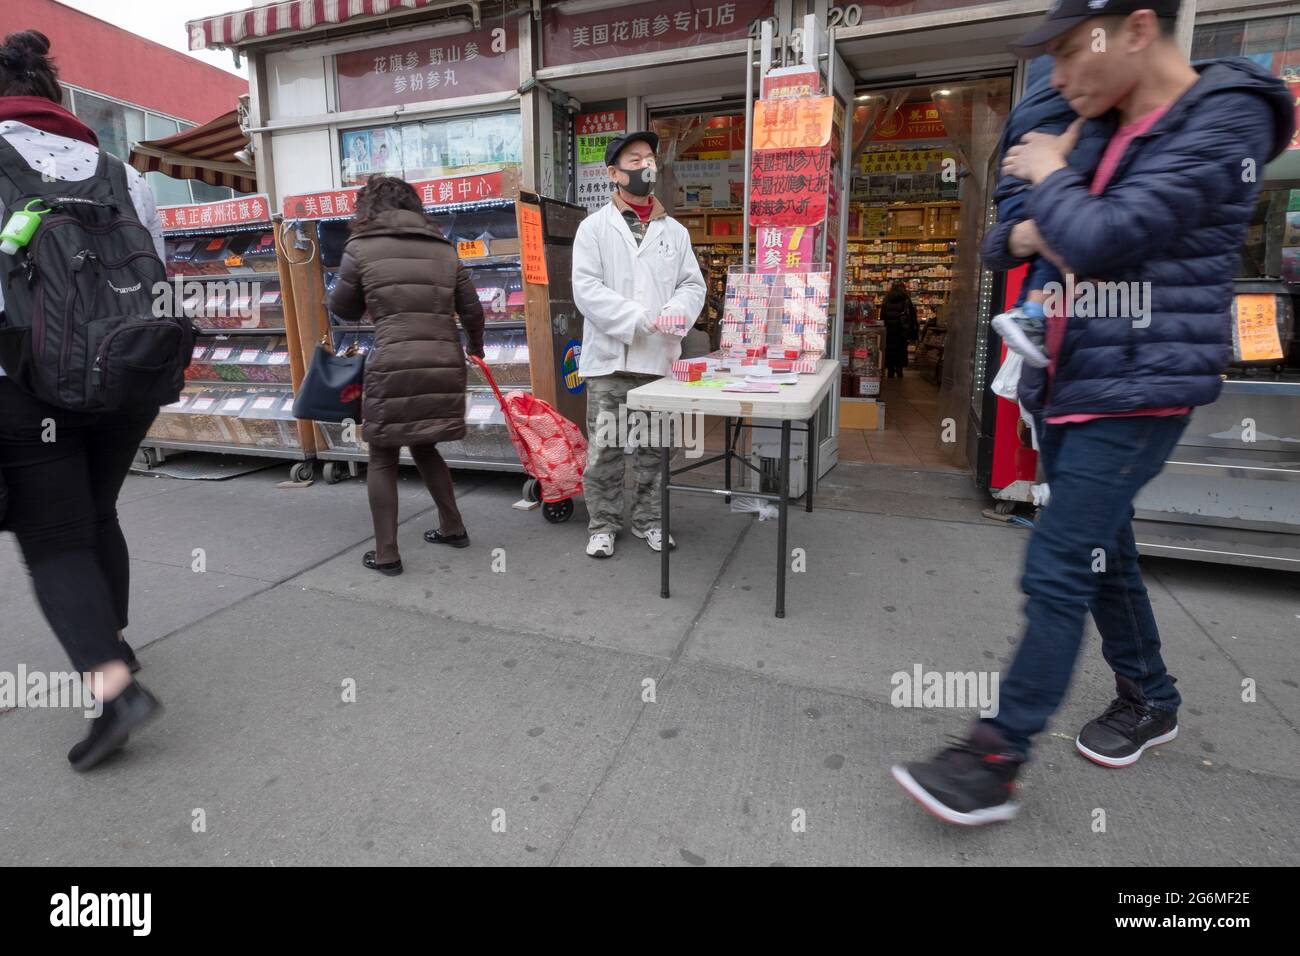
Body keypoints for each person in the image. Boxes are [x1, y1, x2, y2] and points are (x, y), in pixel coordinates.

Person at [892, 0, 1294, 825]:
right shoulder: (1099, 122)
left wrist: (1053, 181)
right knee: (1101, 553)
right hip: (1071, 376)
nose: (1059, 76)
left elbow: (1108, 236)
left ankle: (994, 759)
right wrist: (1050, 210)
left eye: (1074, 53)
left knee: (1059, 563)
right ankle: (1151, 695)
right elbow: (1006, 237)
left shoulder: (1223, 120)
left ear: (1139, 30)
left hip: (1143, 382)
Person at [0, 30, 166, 770]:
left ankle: (114, 686)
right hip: (127, 378)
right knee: (97, 513)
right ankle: (116, 640)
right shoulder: (121, 172)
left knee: (55, 539)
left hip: (26, 384)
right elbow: (160, 271)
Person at [328, 175, 485, 576]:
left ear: (367, 208)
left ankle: (386, 554)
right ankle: (453, 526)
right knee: (425, 443)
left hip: (394, 359)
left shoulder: (360, 247)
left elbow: (342, 308)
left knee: (383, 453)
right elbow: (473, 310)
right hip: (444, 359)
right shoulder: (444, 249)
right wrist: (477, 349)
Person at [571, 131, 706, 559]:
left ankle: (651, 520)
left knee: (655, 449)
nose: (645, 165)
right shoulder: (594, 228)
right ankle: (603, 524)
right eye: (635, 159)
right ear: (614, 173)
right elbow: (585, 289)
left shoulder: (675, 231)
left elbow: (691, 284)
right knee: (605, 449)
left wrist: (677, 314)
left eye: (649, 158)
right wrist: (636, 319)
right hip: (610, 360)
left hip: (657, 359)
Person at [984, 55, 1109, 368]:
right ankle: (1032, 312)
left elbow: (993, 248)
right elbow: (993, 250)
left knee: (1051, 237)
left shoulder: (1030, 108)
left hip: (1014, 191)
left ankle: (1029, 312)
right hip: (1031, 191)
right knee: (1056, 230)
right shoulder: (1081, 122)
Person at [878, 280, 917, 379]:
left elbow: (882, 316)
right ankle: (899, 371)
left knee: (890, 350)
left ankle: (890, 371)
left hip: (890, 330)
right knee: (901, 350)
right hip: (902, 330)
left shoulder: (887, 299)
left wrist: (884, 327)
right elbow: (912, 316)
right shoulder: (906, 299)